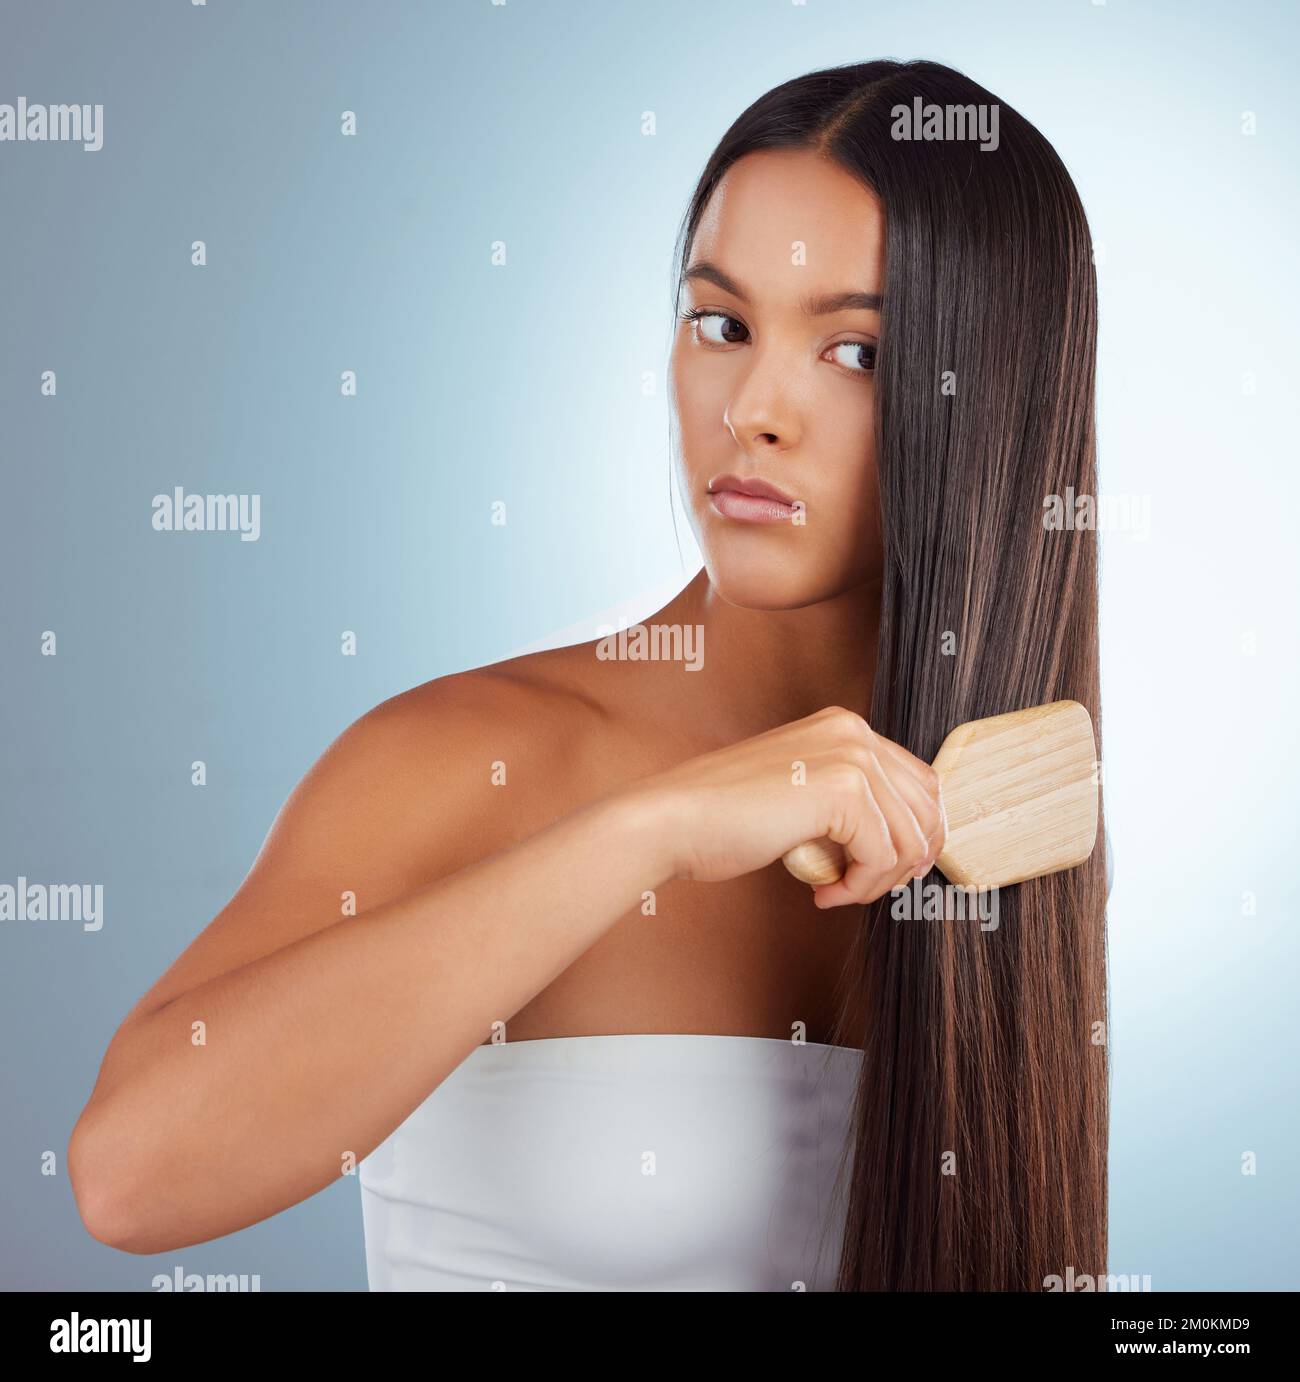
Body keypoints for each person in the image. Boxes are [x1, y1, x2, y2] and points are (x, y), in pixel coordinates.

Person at [68, 59, 1107, 1292]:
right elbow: (129, 1175)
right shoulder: (467, 755)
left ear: (994, 396)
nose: (753, 410)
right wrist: (652, 830)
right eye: (721, 323)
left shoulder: (1003, 820)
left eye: (857, 352)